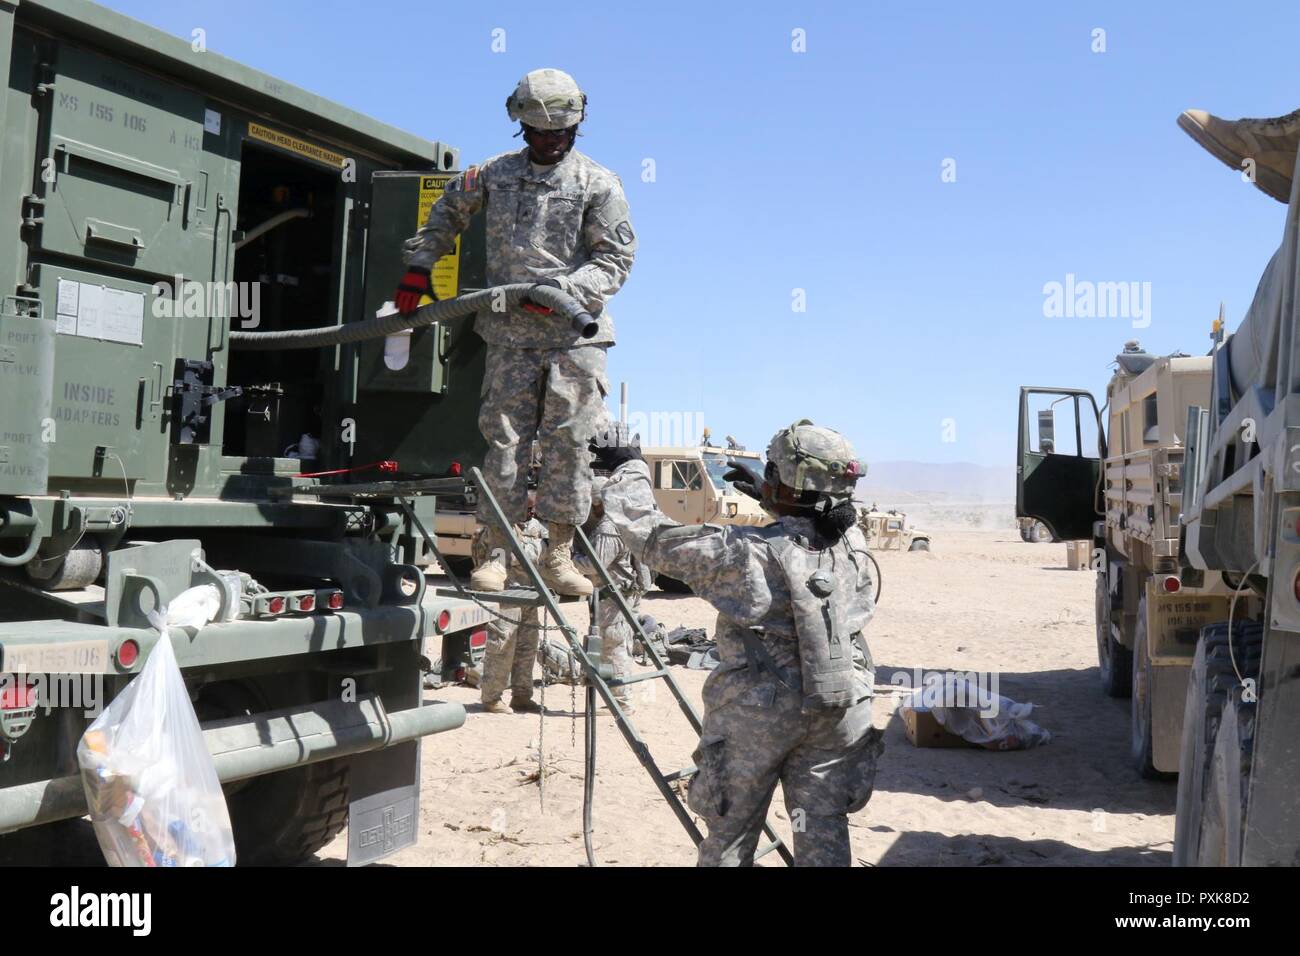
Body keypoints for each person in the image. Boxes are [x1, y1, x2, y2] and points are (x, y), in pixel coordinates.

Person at [590, 420, 883, 866]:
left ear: (790, 481)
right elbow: (815, 529)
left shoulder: (746, 553)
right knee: (821, 828)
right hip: (840, 708)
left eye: (773, 471)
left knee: (731, 833)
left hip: (760, 715)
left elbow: (652, 537)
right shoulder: (855, 545)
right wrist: (775, 499)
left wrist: (628, 467)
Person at [396, 68, 636, 597]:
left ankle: (557, 554)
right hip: (508, 334)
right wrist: (419, 266)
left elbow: (615, 259)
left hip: (575, 335)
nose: (550, 142)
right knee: (503, 444)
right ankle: (495, 552)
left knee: (569, 444)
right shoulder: (492, 176)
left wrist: (563, 292)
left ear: (577, 127)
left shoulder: (599, 183)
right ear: (521, 127)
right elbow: (445, 215)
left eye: (560, 133)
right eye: (539, 132)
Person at [576, 476, 654, 712]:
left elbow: (594, 564)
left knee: (614, 646)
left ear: (598, 502)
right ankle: (618, 699)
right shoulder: (615, 522)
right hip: (614, 595)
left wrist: (567, 561)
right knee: (614, 646)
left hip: (615, 596)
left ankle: (622, 701)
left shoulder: (608, 527)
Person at [478, 518, 547, 714]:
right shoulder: (498, 526)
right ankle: (492, 698)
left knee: (527, 648)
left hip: (530, 596)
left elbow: (547, 557)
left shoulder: (539, 528)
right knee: (501, 648)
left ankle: (522, 696)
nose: (531, 507)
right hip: (506, 596)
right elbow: (487, 555)